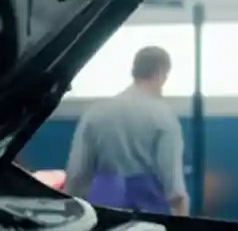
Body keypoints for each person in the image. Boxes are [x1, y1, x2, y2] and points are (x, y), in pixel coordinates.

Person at [65, 46, 190, 216]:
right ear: (161, 72)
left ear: (135, 71)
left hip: (102, 212)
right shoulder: (163, 116)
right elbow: (174, 187)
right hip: (148, 215)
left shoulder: (96, 112)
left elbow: (77, 175)